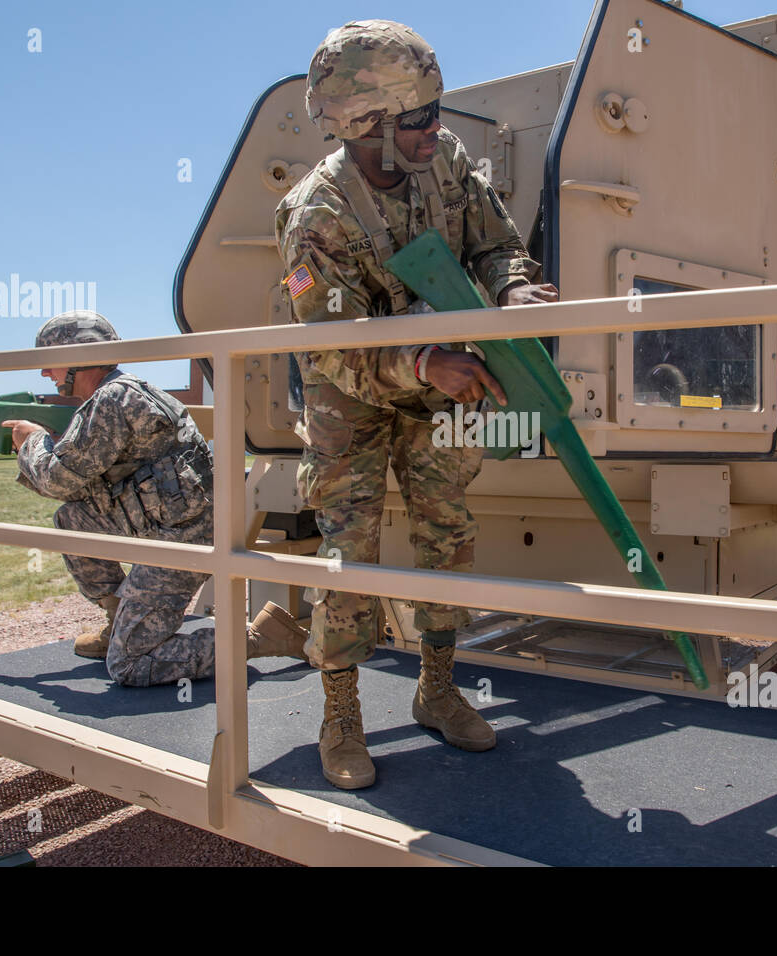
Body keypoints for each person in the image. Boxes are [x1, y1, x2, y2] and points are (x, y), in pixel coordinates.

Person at [274, 19, 559, 789]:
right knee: (350, 553)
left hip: (443, 379)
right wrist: (425, 360)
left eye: (435, 111)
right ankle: (341, 715)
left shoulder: (448, 163)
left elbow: (493, 244)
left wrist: (513, 285)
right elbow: (332, 344)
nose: (438, 128)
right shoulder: (318, 216)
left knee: (447, 531)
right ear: (367, 128)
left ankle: (437, 691)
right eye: (419, 118)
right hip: (354, 395)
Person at [0, 310, 308, 686]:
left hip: (183, 539)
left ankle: (256, 638)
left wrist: (32, 441)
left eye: (48, 362)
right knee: (72, 519)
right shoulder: (116, 394)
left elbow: (57, 479)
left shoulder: (114, 399)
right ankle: (118, 620)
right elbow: (75, 486)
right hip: (165, 524)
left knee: (130, 666)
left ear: (77, 359)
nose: (44, 373)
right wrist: (28, 444)